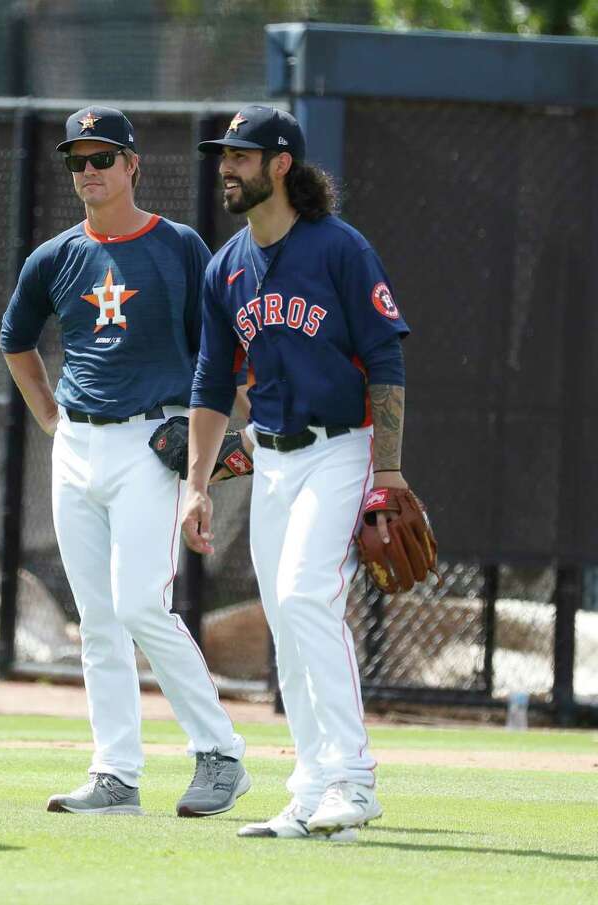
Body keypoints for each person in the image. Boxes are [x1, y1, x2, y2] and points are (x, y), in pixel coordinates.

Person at [0, 106, 249, 817]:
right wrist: (50, 416)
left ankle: (221, 753)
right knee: (100, 618)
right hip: (78, 441)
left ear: (134, 165)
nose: (89, 171)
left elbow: (222, 347)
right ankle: (116, 775)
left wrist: (228, 432)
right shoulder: (55, 256)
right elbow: (16, 339)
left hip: (153, 440)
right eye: (77, 160)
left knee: (142, 601)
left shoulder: (179, 246)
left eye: (102, 157)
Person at [183, 105, 411, 840]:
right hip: (274, 459)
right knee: (286, 613)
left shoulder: (339, 249)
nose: (227, 167)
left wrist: (393, 471)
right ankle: (312, 786)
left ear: (281, 164)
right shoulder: (227, 268)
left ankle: (353, 776)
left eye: (241, 156)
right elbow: (213, 386)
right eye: (225, 156)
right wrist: (194, 485)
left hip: (342, 446)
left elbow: (386, 361)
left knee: (306, 593)